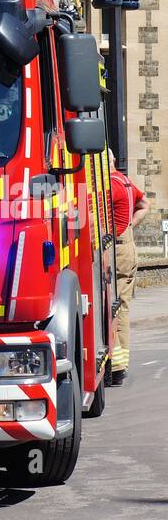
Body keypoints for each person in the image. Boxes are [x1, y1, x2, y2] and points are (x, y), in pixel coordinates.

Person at [108, 149, 149, 386]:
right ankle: (120, 364)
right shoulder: (124, 181)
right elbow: (144, 204)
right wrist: (130, 225)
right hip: (127, 246)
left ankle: (118, 366)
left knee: (115, 308)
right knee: (121, 307)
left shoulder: (111, 186)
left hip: (117, 251)